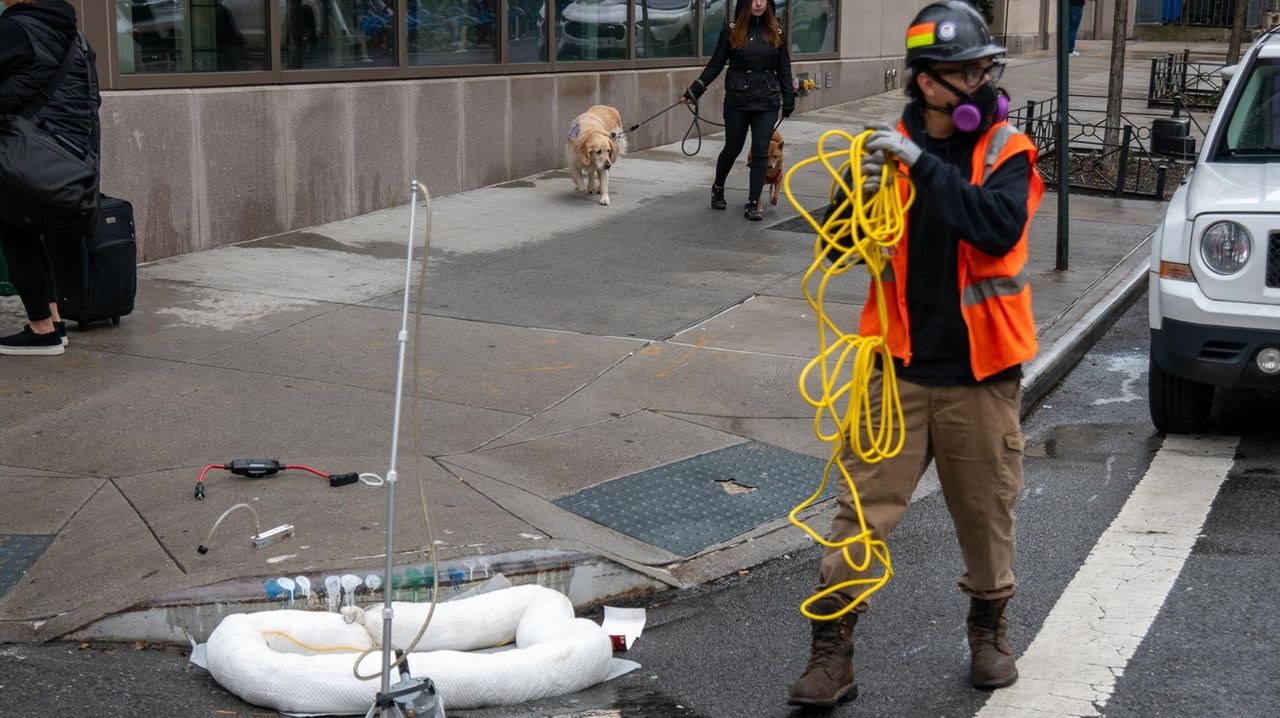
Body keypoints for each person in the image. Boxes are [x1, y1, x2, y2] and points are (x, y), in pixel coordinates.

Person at [787, 0, 1042, 708]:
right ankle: (831, 656)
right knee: (858, 519)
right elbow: (837, 250)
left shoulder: (1006, 152)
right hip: (896, 370)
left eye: (986, 68)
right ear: (929, 83)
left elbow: (995, 228)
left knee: (986, 517)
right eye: (969, 72)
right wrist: (853, 200)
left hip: (981, 378)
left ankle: (988, 634)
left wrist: (921, 166)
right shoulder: (885, 151)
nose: (985, 83)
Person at [0, 0, 101, 356]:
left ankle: (41, 329)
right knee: (29, 232)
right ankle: (53, 322)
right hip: (61, 158)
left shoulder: (16, 30)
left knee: (16, 235)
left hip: (23, 151)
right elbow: (91, 104)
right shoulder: (77, 37)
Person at [680, 0, 794, 221]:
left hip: (767, 100)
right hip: (738, 100)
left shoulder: (776, 32)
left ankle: (753, 202)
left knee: (760, 151)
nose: (758, 3)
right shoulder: (732, 30)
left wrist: (788, 97)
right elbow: (716, 64)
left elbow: (784, 68)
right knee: (733, 148)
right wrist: (695, 90)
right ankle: (718, 187)